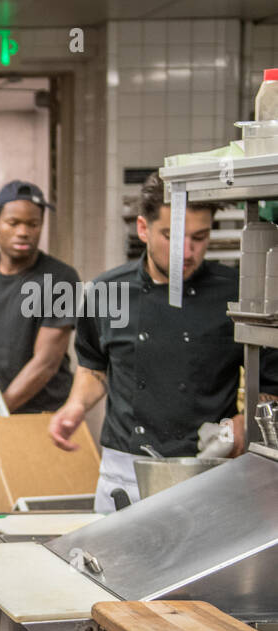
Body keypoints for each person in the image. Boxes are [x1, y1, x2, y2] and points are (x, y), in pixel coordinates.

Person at [49, 172, 278, 511]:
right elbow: (94, 368)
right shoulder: (105, 292)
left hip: (207, 469)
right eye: (172, 237)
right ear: (143, 228)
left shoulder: (238, 295)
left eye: (199, 238)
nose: (186, 252)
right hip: (125, 470)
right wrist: (75, 407)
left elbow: (270, 383)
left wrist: (246, 422)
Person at [0, 180, 81, 438]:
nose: (24, 232)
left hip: (44, 418)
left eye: (33, 224)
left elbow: (46, 363)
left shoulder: (59, 278)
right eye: (14, 223)